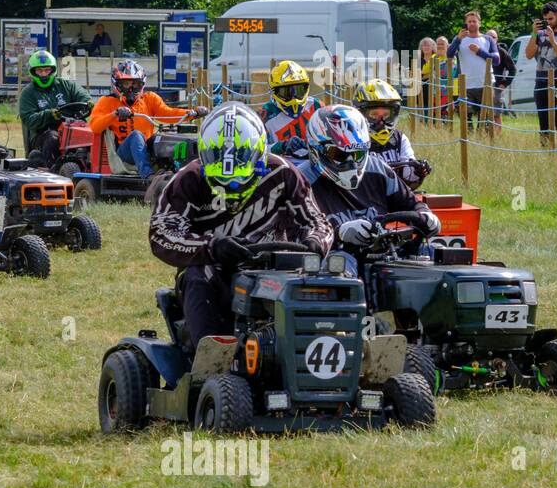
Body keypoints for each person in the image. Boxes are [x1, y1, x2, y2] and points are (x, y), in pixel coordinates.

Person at [149, 103, 333, 346]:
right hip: (214, 269)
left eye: (240, 177)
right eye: (222, 179)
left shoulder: (283, 173)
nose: (232, 185)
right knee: (196, 277)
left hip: (275, 269)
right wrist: (212, 247)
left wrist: (314, 243)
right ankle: (211, 359)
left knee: (326, 278)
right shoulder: (188, 178)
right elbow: (161, 233)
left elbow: (318, 221)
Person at [295, 105, 439, 275]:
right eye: (340, 155)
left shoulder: (378, 169)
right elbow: (294, 235)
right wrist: (339, 233)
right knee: (340, 266)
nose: (351, 164)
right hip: (331, 261)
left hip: (383, 257)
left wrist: (426, 216)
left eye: (357, 155)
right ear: (316, 149)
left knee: (436, 255)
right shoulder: (300, 181)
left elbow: (410, 203)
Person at [87, 61, 205, 177]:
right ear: (117, 84)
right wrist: (114, 114)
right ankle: (148, 175)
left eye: (135, 84)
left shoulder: (149, 98)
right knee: (136, 135)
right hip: (124, 154)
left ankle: (182, 172)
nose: (131, 88)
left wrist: (192, 113)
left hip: (146, 147)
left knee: (166, 138)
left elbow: (168, 113)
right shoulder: (107, 101)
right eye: (126, 83)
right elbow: (95, 127)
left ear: (142, 84)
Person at [17, 50, 91, 166]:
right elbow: (29, 119)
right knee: (53, 137)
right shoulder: (28, 93)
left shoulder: (67, 85)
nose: (44, 74)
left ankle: (90, 166)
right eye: (40, 71)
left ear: (53, 70)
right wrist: (49, 115)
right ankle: (51, 168)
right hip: (42, 134)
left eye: (47, 70)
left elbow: (84, 98)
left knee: (92, 133)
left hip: (72, 127)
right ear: (33, 72)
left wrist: (89, 104)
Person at [354, 79, 430, 189]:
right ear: (361, 113)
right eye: (374, 115)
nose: (381, 121)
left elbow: (408, 178)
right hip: (363, 201)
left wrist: (419, 171)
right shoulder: (354, 141)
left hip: (394, 199)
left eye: (386, 115)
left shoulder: (399, 139)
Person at [524, 1, 557, 142]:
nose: (548, 22)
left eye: (551, 19)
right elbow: (529, 54)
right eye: (546, 20)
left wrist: (553, 40)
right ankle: (545, 153)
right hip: (540, 81)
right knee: (543, 123)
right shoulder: (539, 34)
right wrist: (533, 33)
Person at [447, 10, 497, 126]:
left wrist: (479, 51)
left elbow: (496, 60)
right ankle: (469, 140)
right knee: (465, 115)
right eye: (469, 21)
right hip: (466, 85)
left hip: (486, 83)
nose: (472, 24)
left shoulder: (488, 39)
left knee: (484, 118)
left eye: (474, 21)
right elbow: (449, 55)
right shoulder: (459, 39)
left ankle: (482, 139)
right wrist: (458, 39)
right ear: (466, 23)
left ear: (479, 23)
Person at [261, 61, 320, 156]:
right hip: (282, 166)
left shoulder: (316, 106)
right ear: (273, 92)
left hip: (314, 165)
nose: (294, 98)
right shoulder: (266, 114)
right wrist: (282, 146)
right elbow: (258, 150)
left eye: (299, 90)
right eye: (286, 92)